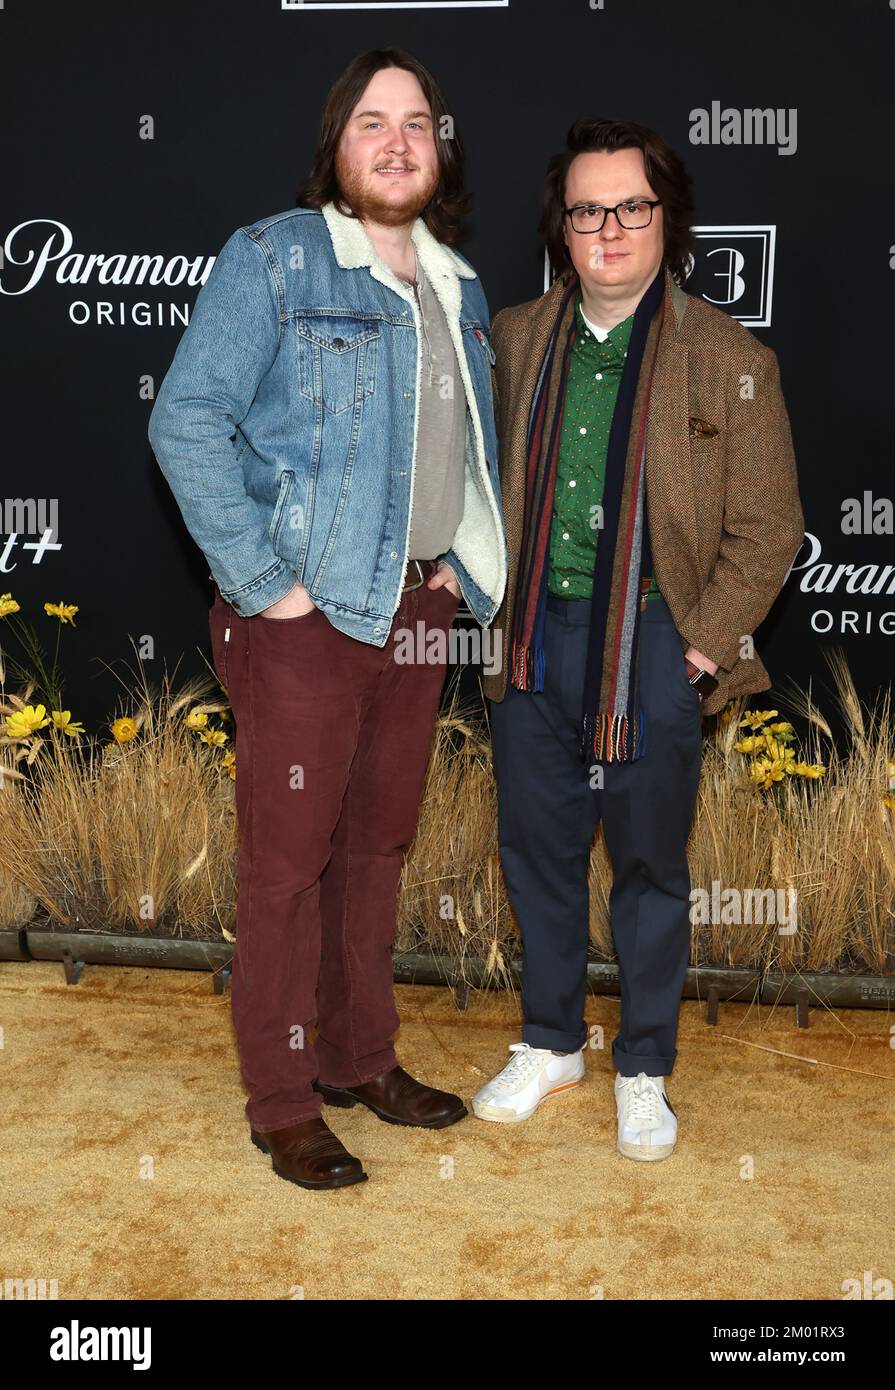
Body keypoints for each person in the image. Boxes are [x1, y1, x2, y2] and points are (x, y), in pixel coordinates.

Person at [148, 48, 507, 1190]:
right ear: (337, 146)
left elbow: (445, 451)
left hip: (413, 613)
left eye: (416, 122)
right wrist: (266, 586)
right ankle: (284, 1099)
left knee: (376, 847)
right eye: (371, 123)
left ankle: (360, 1057)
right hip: (307, 616)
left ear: (440, 148)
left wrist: (453, 557)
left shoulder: (454, 284)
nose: (397, 141)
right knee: (287, 869)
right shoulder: (275, 257)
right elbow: (186, 421)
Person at [475, 117, 804, 1161]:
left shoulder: (728, 358)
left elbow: (769, 528)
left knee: (651, 864)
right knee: (536, 852)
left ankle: (646, 1066)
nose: (608, 227)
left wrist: (697, 650)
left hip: (658, 641)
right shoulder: (513, 339)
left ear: (669, 220)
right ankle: (551, 1040)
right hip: (531, 635)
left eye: (630, 206)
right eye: (586, 210)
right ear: (559, 229)